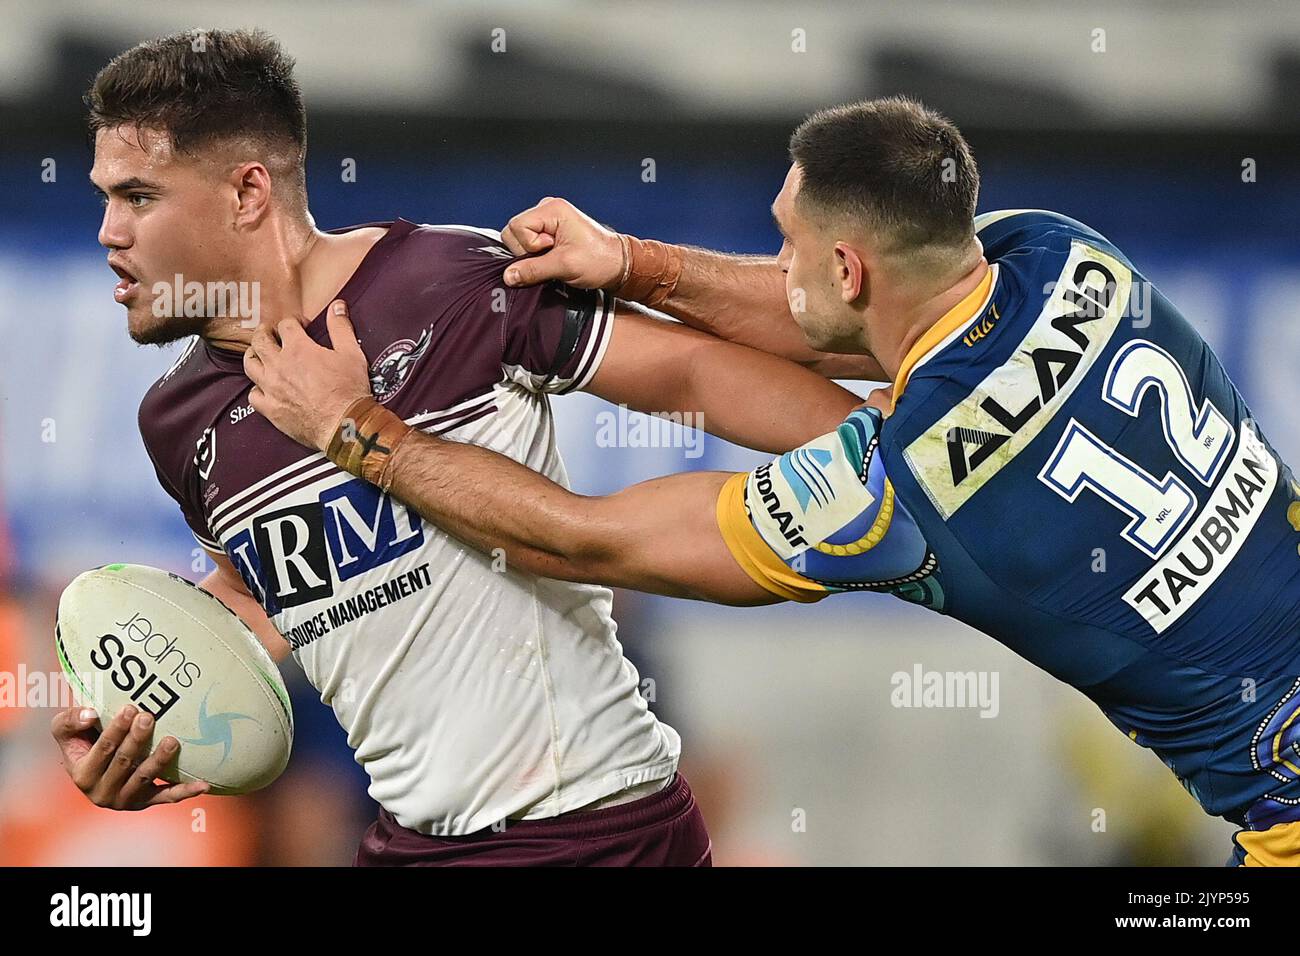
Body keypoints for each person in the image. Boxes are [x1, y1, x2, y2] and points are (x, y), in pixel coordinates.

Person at [246, 97, 1300, 866]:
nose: (778, 262)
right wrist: (633, 263)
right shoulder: (1063, 256)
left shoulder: (894, 490)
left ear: (847, 269)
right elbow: (859, 328)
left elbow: (588, 539)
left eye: (788, 244)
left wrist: (355, 430)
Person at [49, 28, 870, 867]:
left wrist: (883, 444)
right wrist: (149, 717)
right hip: (407, 843)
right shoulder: (179, 420)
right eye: (105, 197)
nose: (111, 230)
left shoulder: (444, 282)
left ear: (248, 191)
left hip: (591, 828)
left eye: (139, 197)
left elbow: (692, 377)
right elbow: (273, 590)